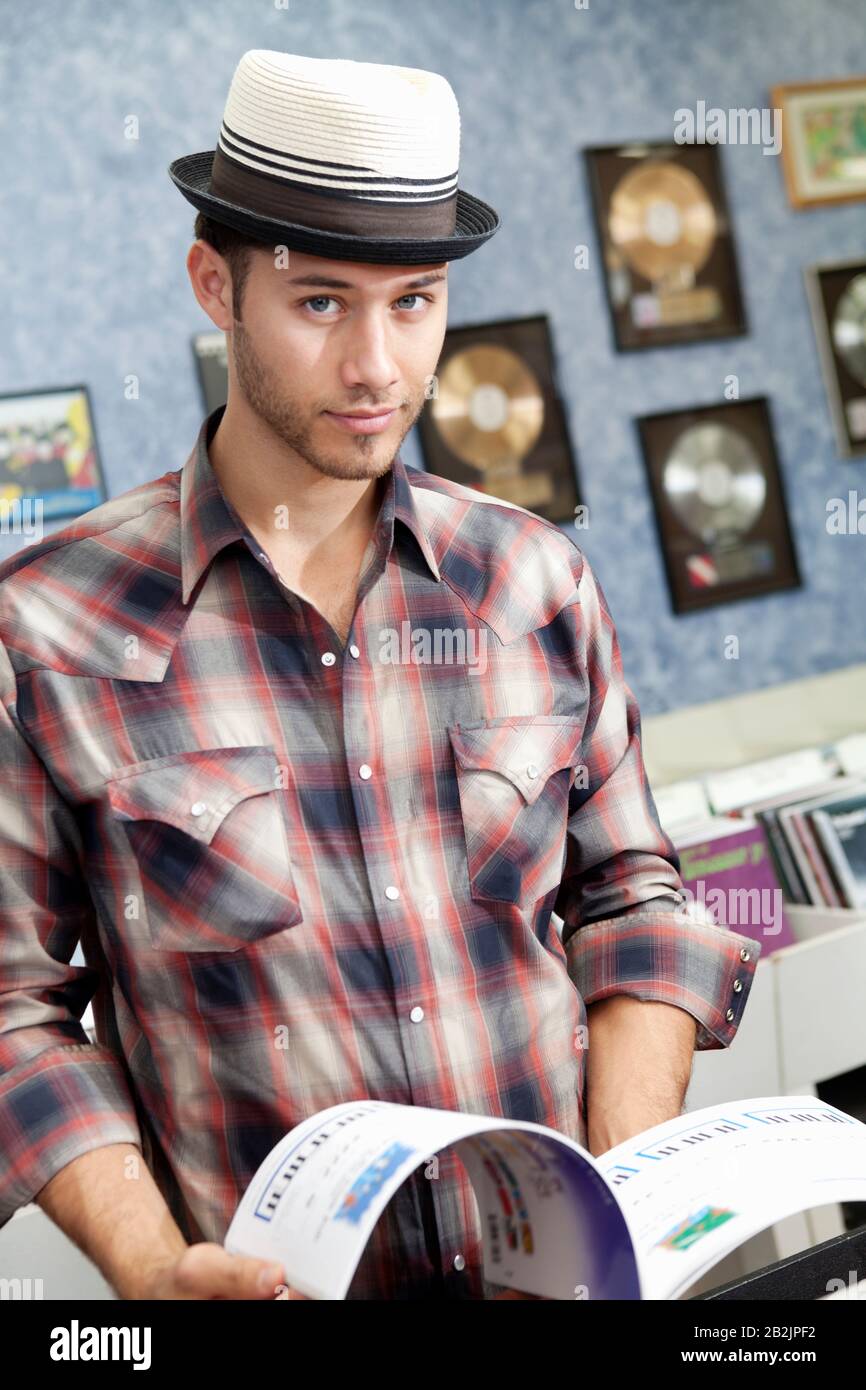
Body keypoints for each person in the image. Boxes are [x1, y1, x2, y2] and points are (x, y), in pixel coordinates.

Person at [0, 49, 760, 1302]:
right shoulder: (48, 629)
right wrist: (148, 1266)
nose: (375, 369)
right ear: (216, 286)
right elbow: (17, 1012)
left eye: (412, 302)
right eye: (320, 305)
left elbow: (629, 896)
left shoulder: (532, 581)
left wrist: (628, 1160)